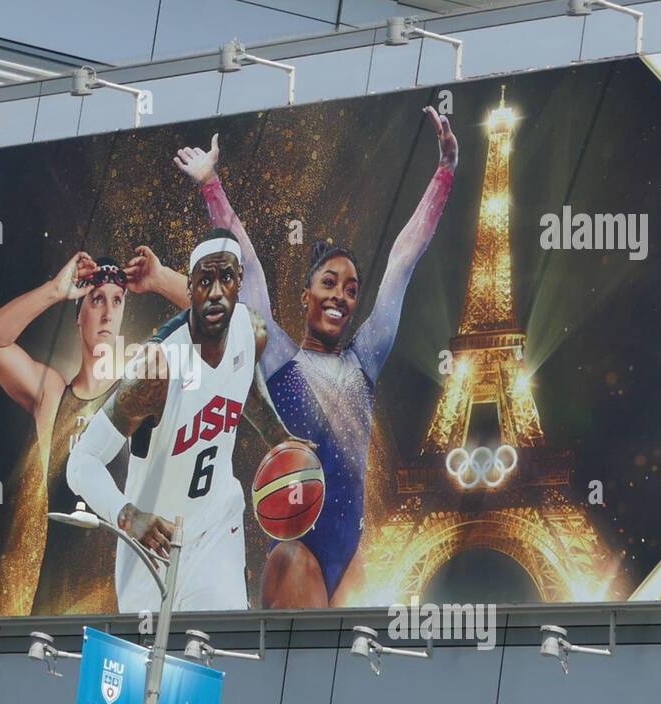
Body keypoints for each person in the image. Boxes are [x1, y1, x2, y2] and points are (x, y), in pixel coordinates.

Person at [172, 106, 458, 608]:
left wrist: (444, 173)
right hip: (297, 550)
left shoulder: (365, 360)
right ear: (306, 295)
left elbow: (403, 259)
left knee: (359, 681)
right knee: (295, 680)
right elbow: (250, 265)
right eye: (329, 284)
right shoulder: (278, 355)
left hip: (351, 557)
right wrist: (210, 184)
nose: (341, 297)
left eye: (351, 289)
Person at [66, 230, 309, 613]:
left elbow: (243, 377)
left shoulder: (252, 330)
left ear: (239, 281)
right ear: (191, 287)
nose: (215, 292)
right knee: (152, 667)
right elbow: (81, 463)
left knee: (218, 649)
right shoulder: (156, 369)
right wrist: (129, 517)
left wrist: (279, 436)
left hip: (215, 528)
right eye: (204, 281)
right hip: (151, 543)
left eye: (225, 278)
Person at [0, 248, 188, 614]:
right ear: (78, 314)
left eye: (118, 301)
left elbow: (224, 324)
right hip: (53, 611)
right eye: (96, 300)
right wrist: (55, 291)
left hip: (126, 610)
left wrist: (161, 279)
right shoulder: (53, 395)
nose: (108, 313)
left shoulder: (142, 390)